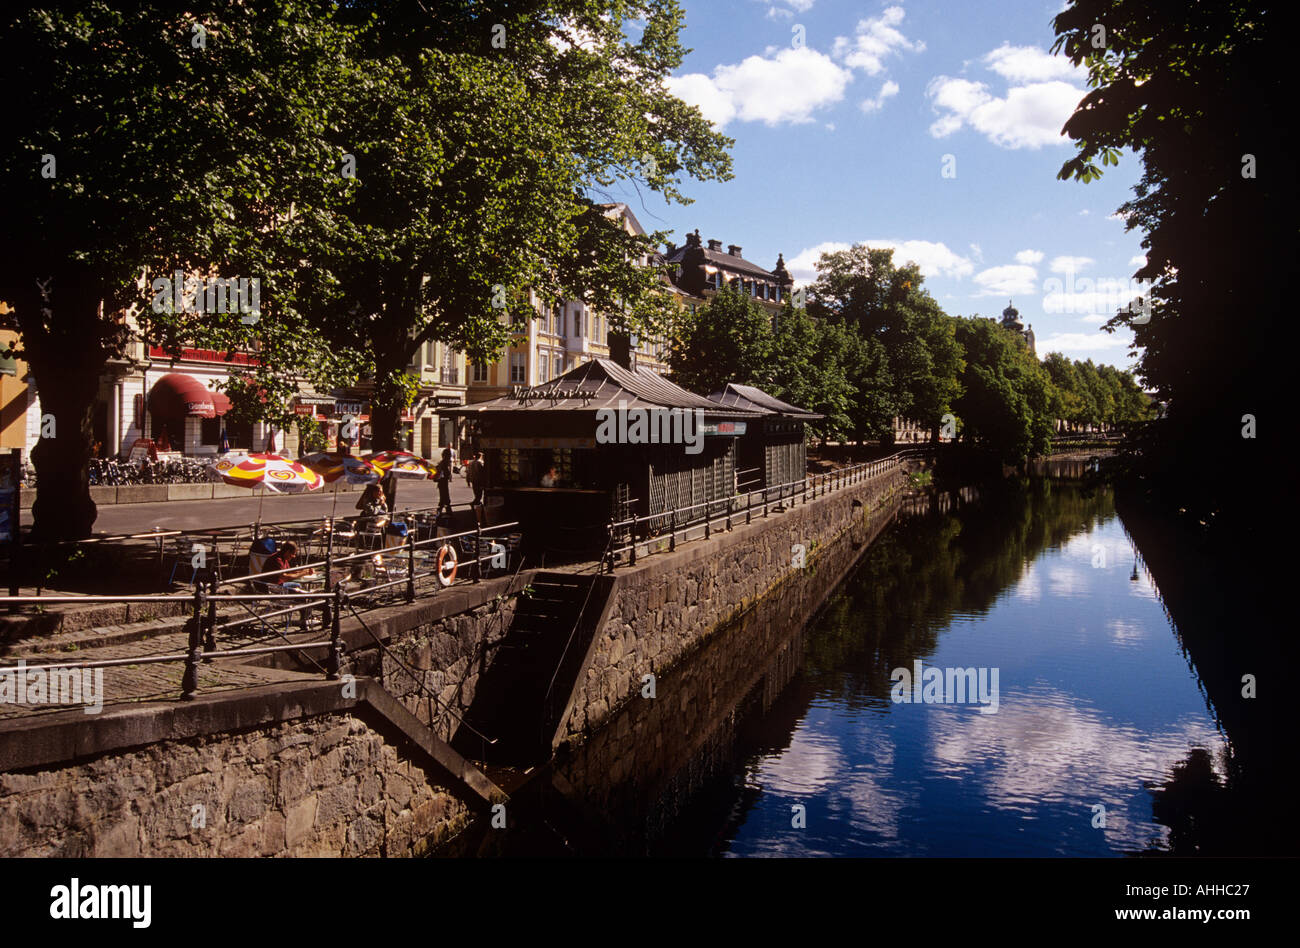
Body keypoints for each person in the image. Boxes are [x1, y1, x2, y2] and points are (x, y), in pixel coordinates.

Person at [435, 448, 453, 518]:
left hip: (442, 483)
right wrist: (448, 475)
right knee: (445, 499)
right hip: (443, 483)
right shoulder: (443, 464)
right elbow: (445, 474)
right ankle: (448, 513)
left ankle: (439, 514)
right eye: (449, 456)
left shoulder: (442, 463)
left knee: (443, 500)